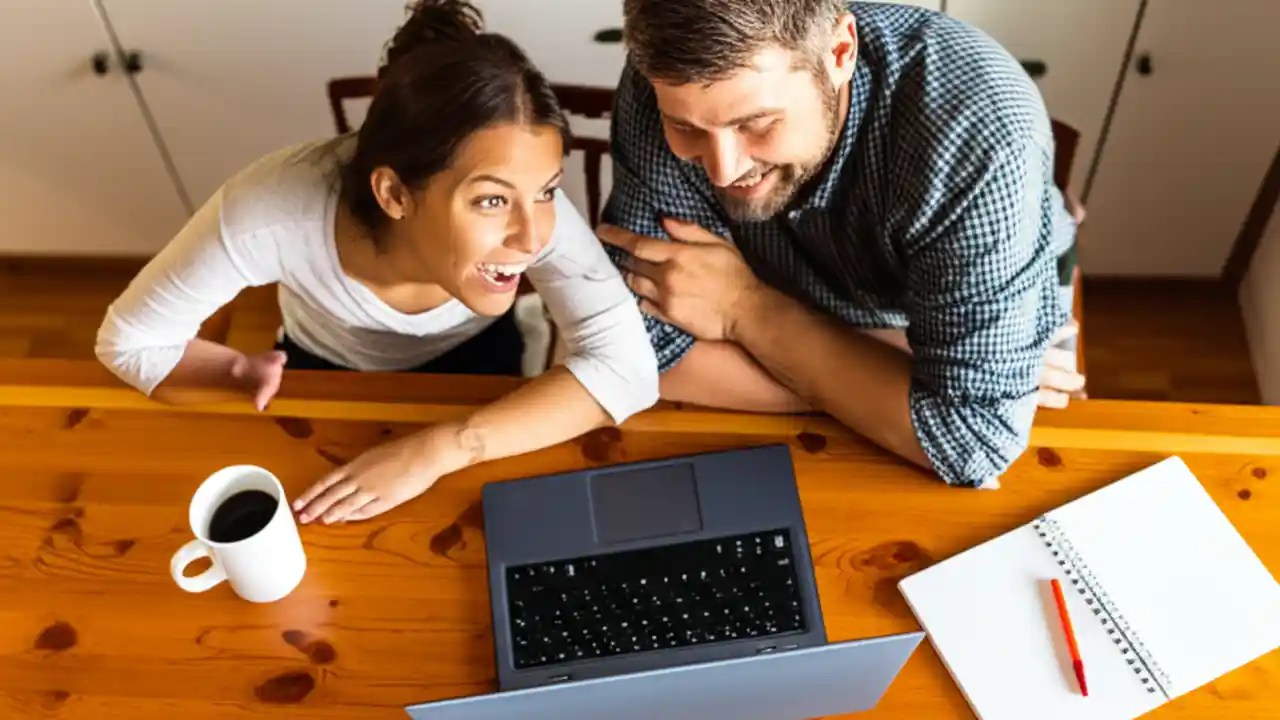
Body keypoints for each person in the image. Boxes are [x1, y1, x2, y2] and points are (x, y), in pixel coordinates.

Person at [95, 0, 657, 523]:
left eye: (546, 191)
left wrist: (443, 446)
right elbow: (130, 343)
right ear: (393, 194)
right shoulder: (270, 212)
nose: (535, 238)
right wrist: (235, 370)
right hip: (322, 371)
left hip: (480, 360)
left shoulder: (532, 217)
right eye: (491, 200)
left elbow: (628, 369)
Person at [597, 0, 1084, 488]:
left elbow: (974, 441)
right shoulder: (666, 77)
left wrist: (745, 312)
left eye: (759, 123)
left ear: (840, 52)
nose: (723, 170)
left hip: (944, 291)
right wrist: (900, 382)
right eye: (685, 129)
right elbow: (634, 353)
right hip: (810, 297)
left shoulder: (980, 129)